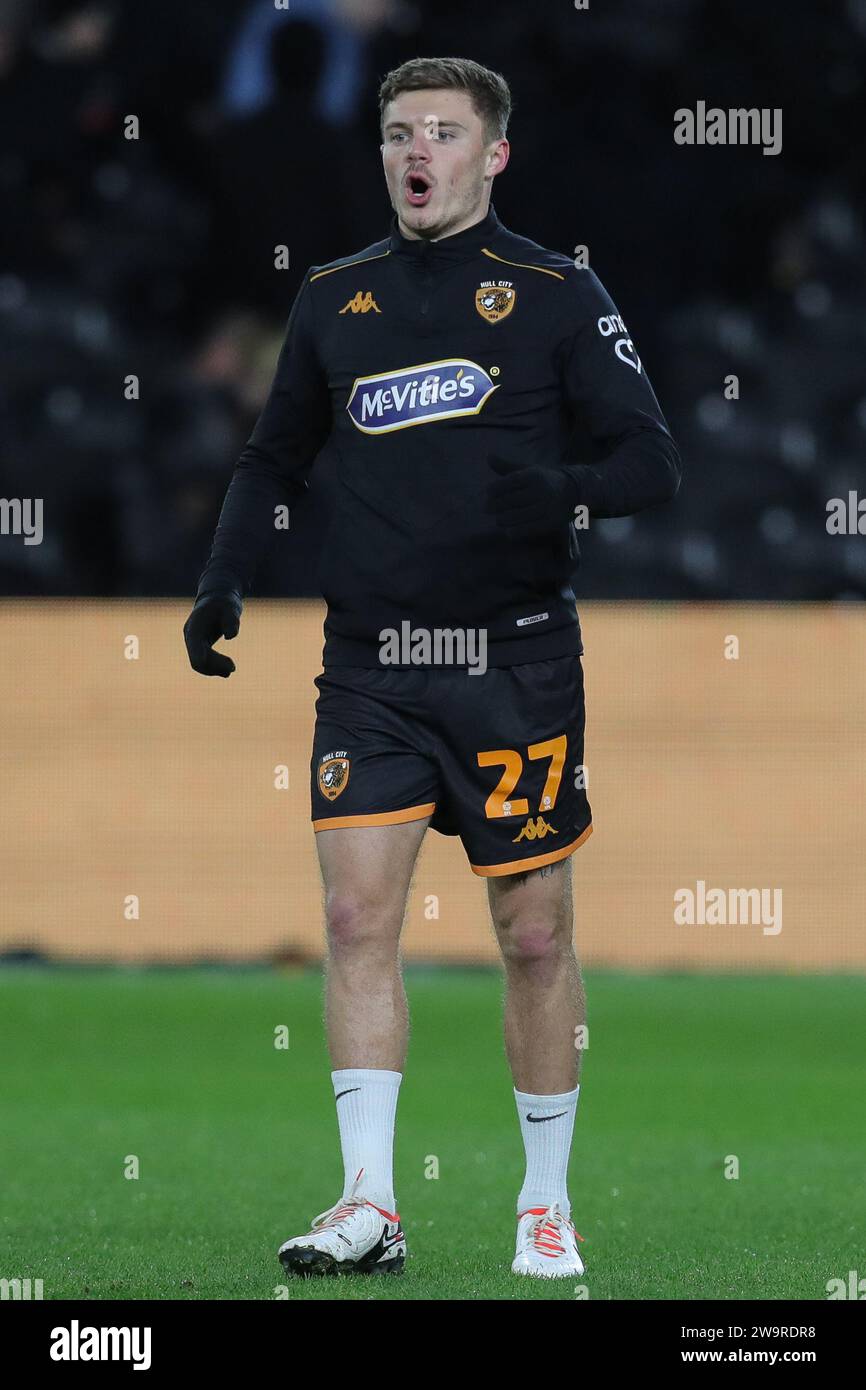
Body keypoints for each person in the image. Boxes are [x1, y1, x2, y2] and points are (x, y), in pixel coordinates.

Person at [184, 55, 681, 1280]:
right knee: (355, 917)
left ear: (492, 154)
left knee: (528, 934)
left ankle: (544, 1205)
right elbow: (270, 457)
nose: (417, 154)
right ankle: (368, 1203)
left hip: (512, 661)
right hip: (369, 666)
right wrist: (221, 582)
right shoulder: (333, 299)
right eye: (399, 133)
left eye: (443, 134)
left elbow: (649, 461)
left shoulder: (555, 292)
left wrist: (553, 491)